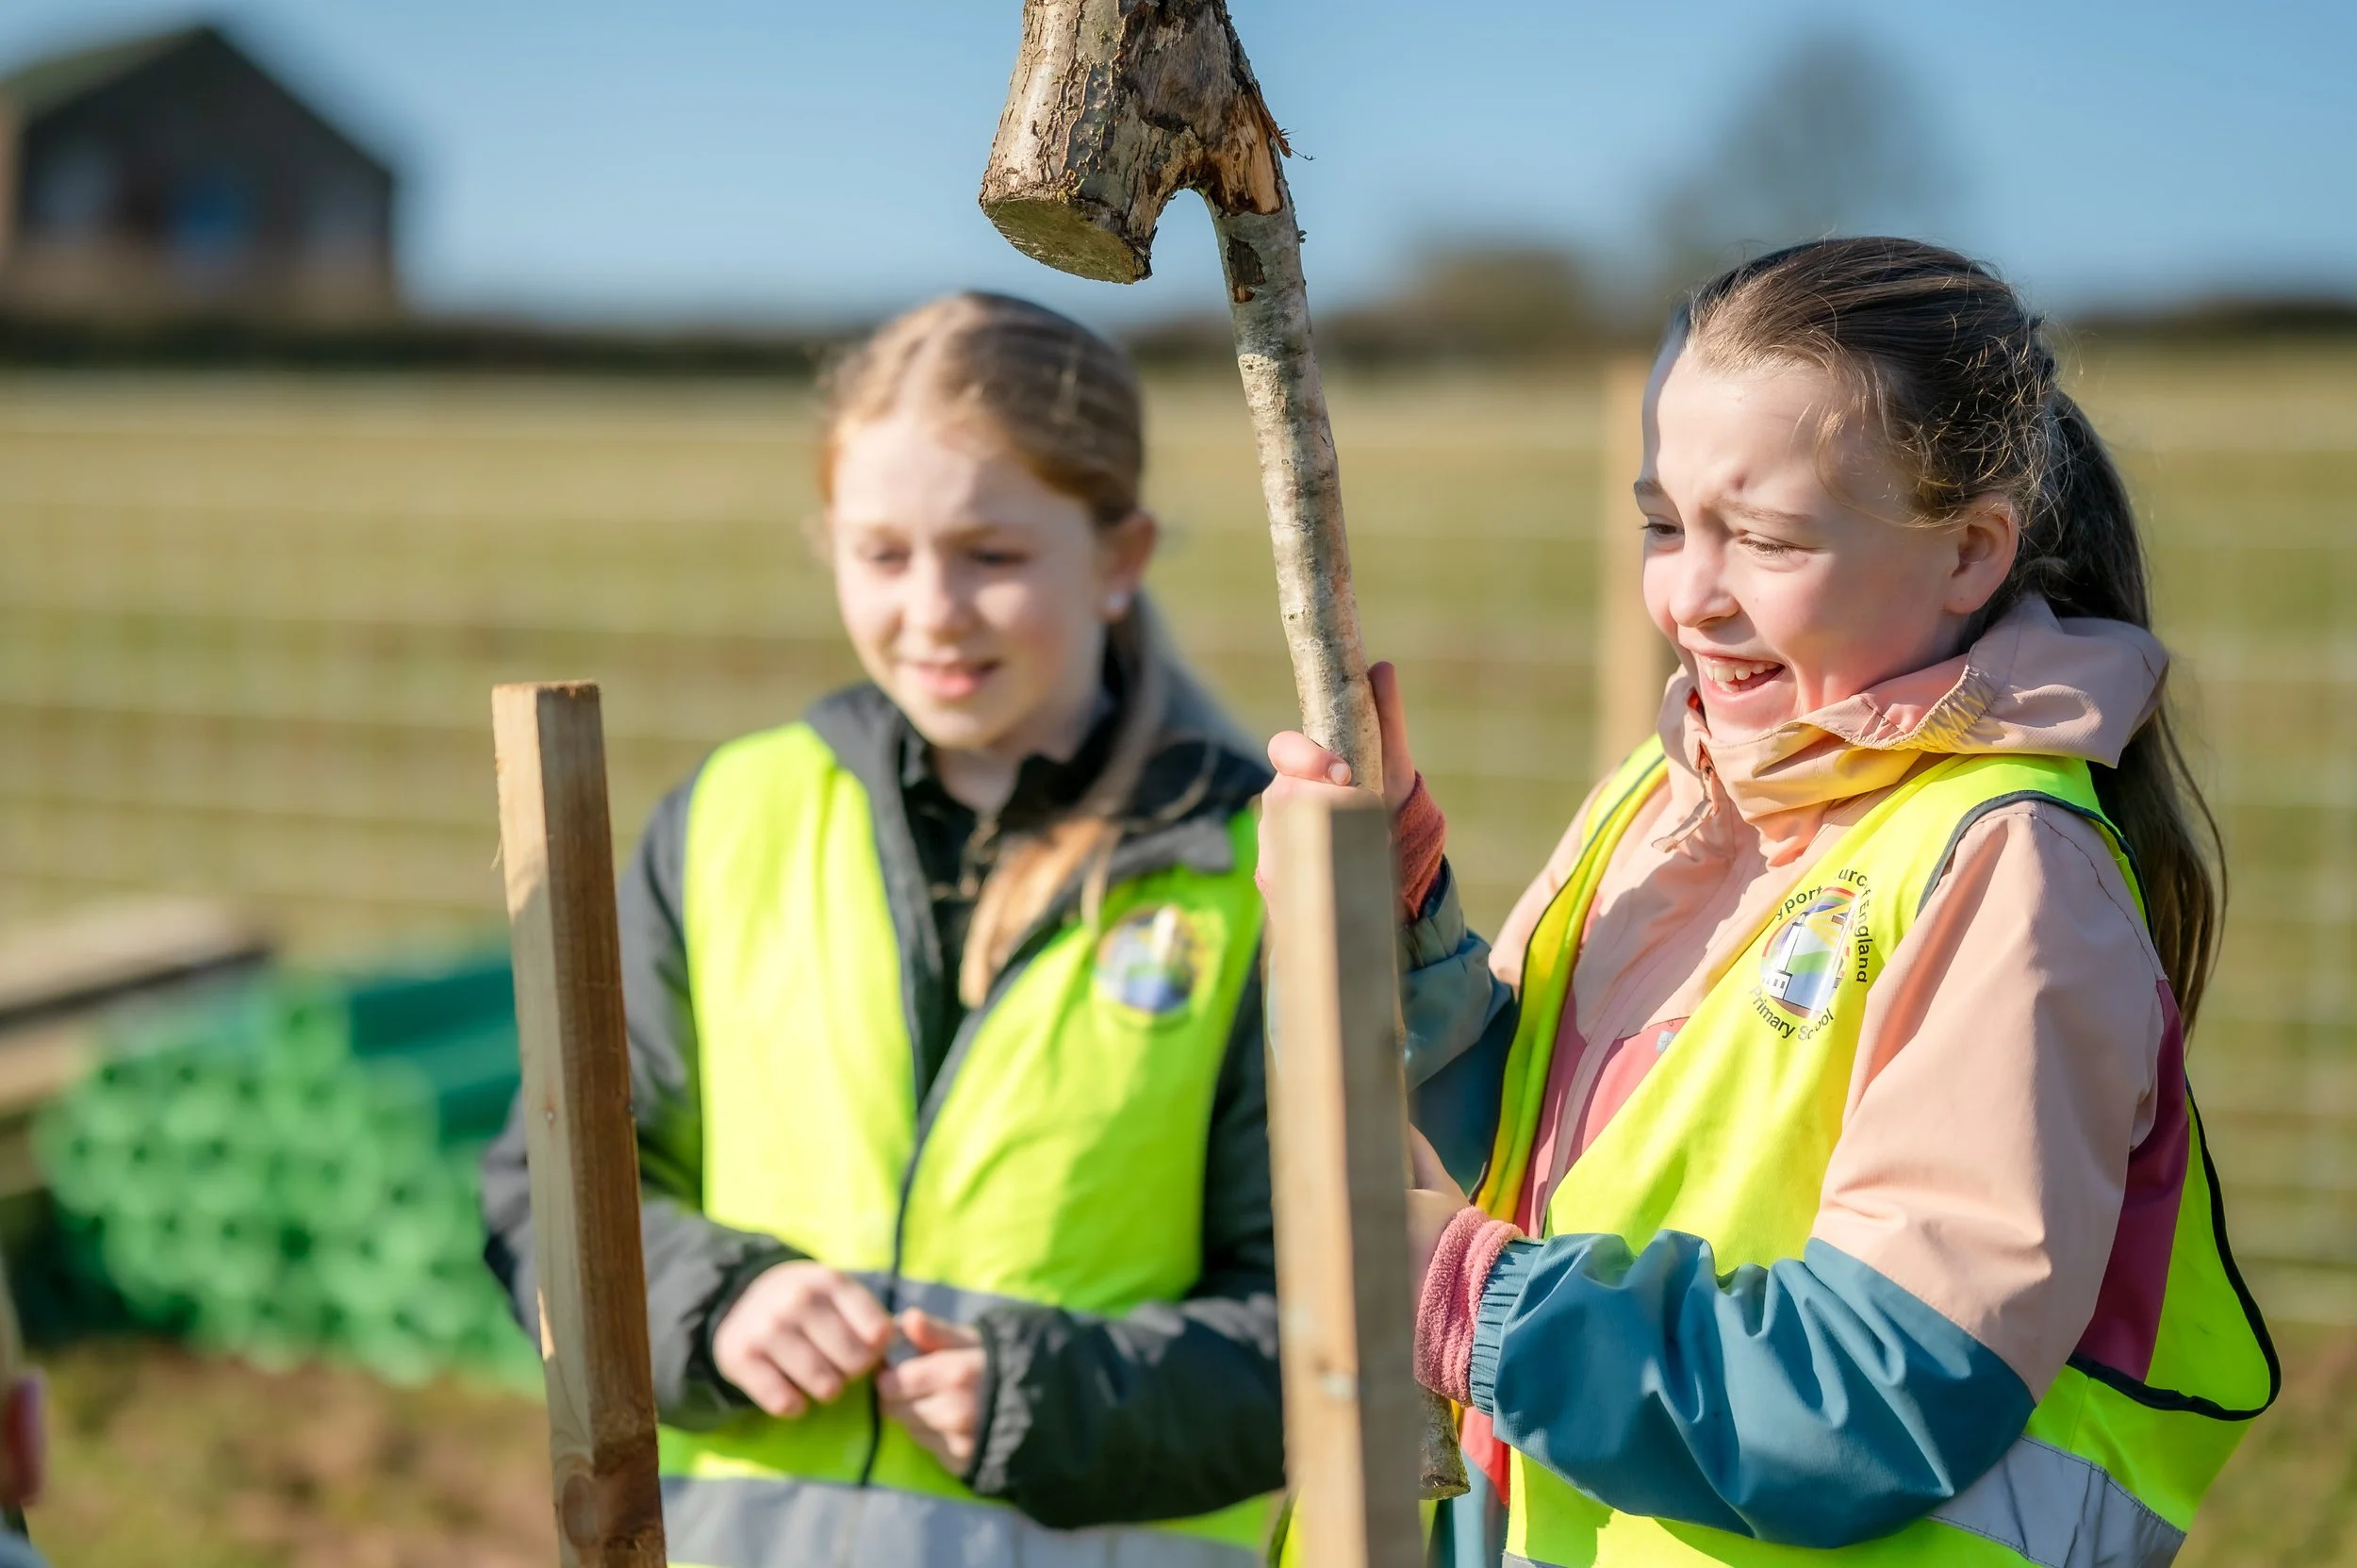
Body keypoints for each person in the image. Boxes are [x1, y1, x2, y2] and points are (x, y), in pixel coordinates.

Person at [1263, 239, 2276, 1566]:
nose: (1690, 594)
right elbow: (1544, 1156)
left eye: (1767, 537)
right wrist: (1392, 921)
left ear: (1970, 551)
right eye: (1664, 522)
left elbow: (1881, 1391)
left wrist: (1468, 1300)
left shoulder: (2014, 877)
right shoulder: (1670, 794)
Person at [483, 291, 1283, 1566]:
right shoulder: (727, 816)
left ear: (1120, 557)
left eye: (992, 555)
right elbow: (554, 1189)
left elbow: (1332, 1320)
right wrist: (715, 1298)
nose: (933, 610)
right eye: (883, 553)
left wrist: (1051, 1394)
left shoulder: (1263, 869)